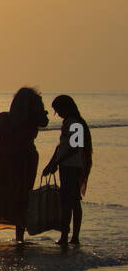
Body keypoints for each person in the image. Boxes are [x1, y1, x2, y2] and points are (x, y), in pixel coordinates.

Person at [0, 87, 49, 245]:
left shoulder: (3, 118)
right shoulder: (32, 121)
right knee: (22, 197)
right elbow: (45, 121)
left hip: (4, 162)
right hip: (26, 161)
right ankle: (19, 237)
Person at [42, 94, 92, 246]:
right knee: (73, 201)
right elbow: (61, 146)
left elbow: (73, 147)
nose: (57, 113)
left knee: (70, 202)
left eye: (58, 109)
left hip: (72, 166)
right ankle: (71, 236)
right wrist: (53, 162)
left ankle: (68, 236)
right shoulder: (73, 122)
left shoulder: (74, 123)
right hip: (70, 165)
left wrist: (56, 162)